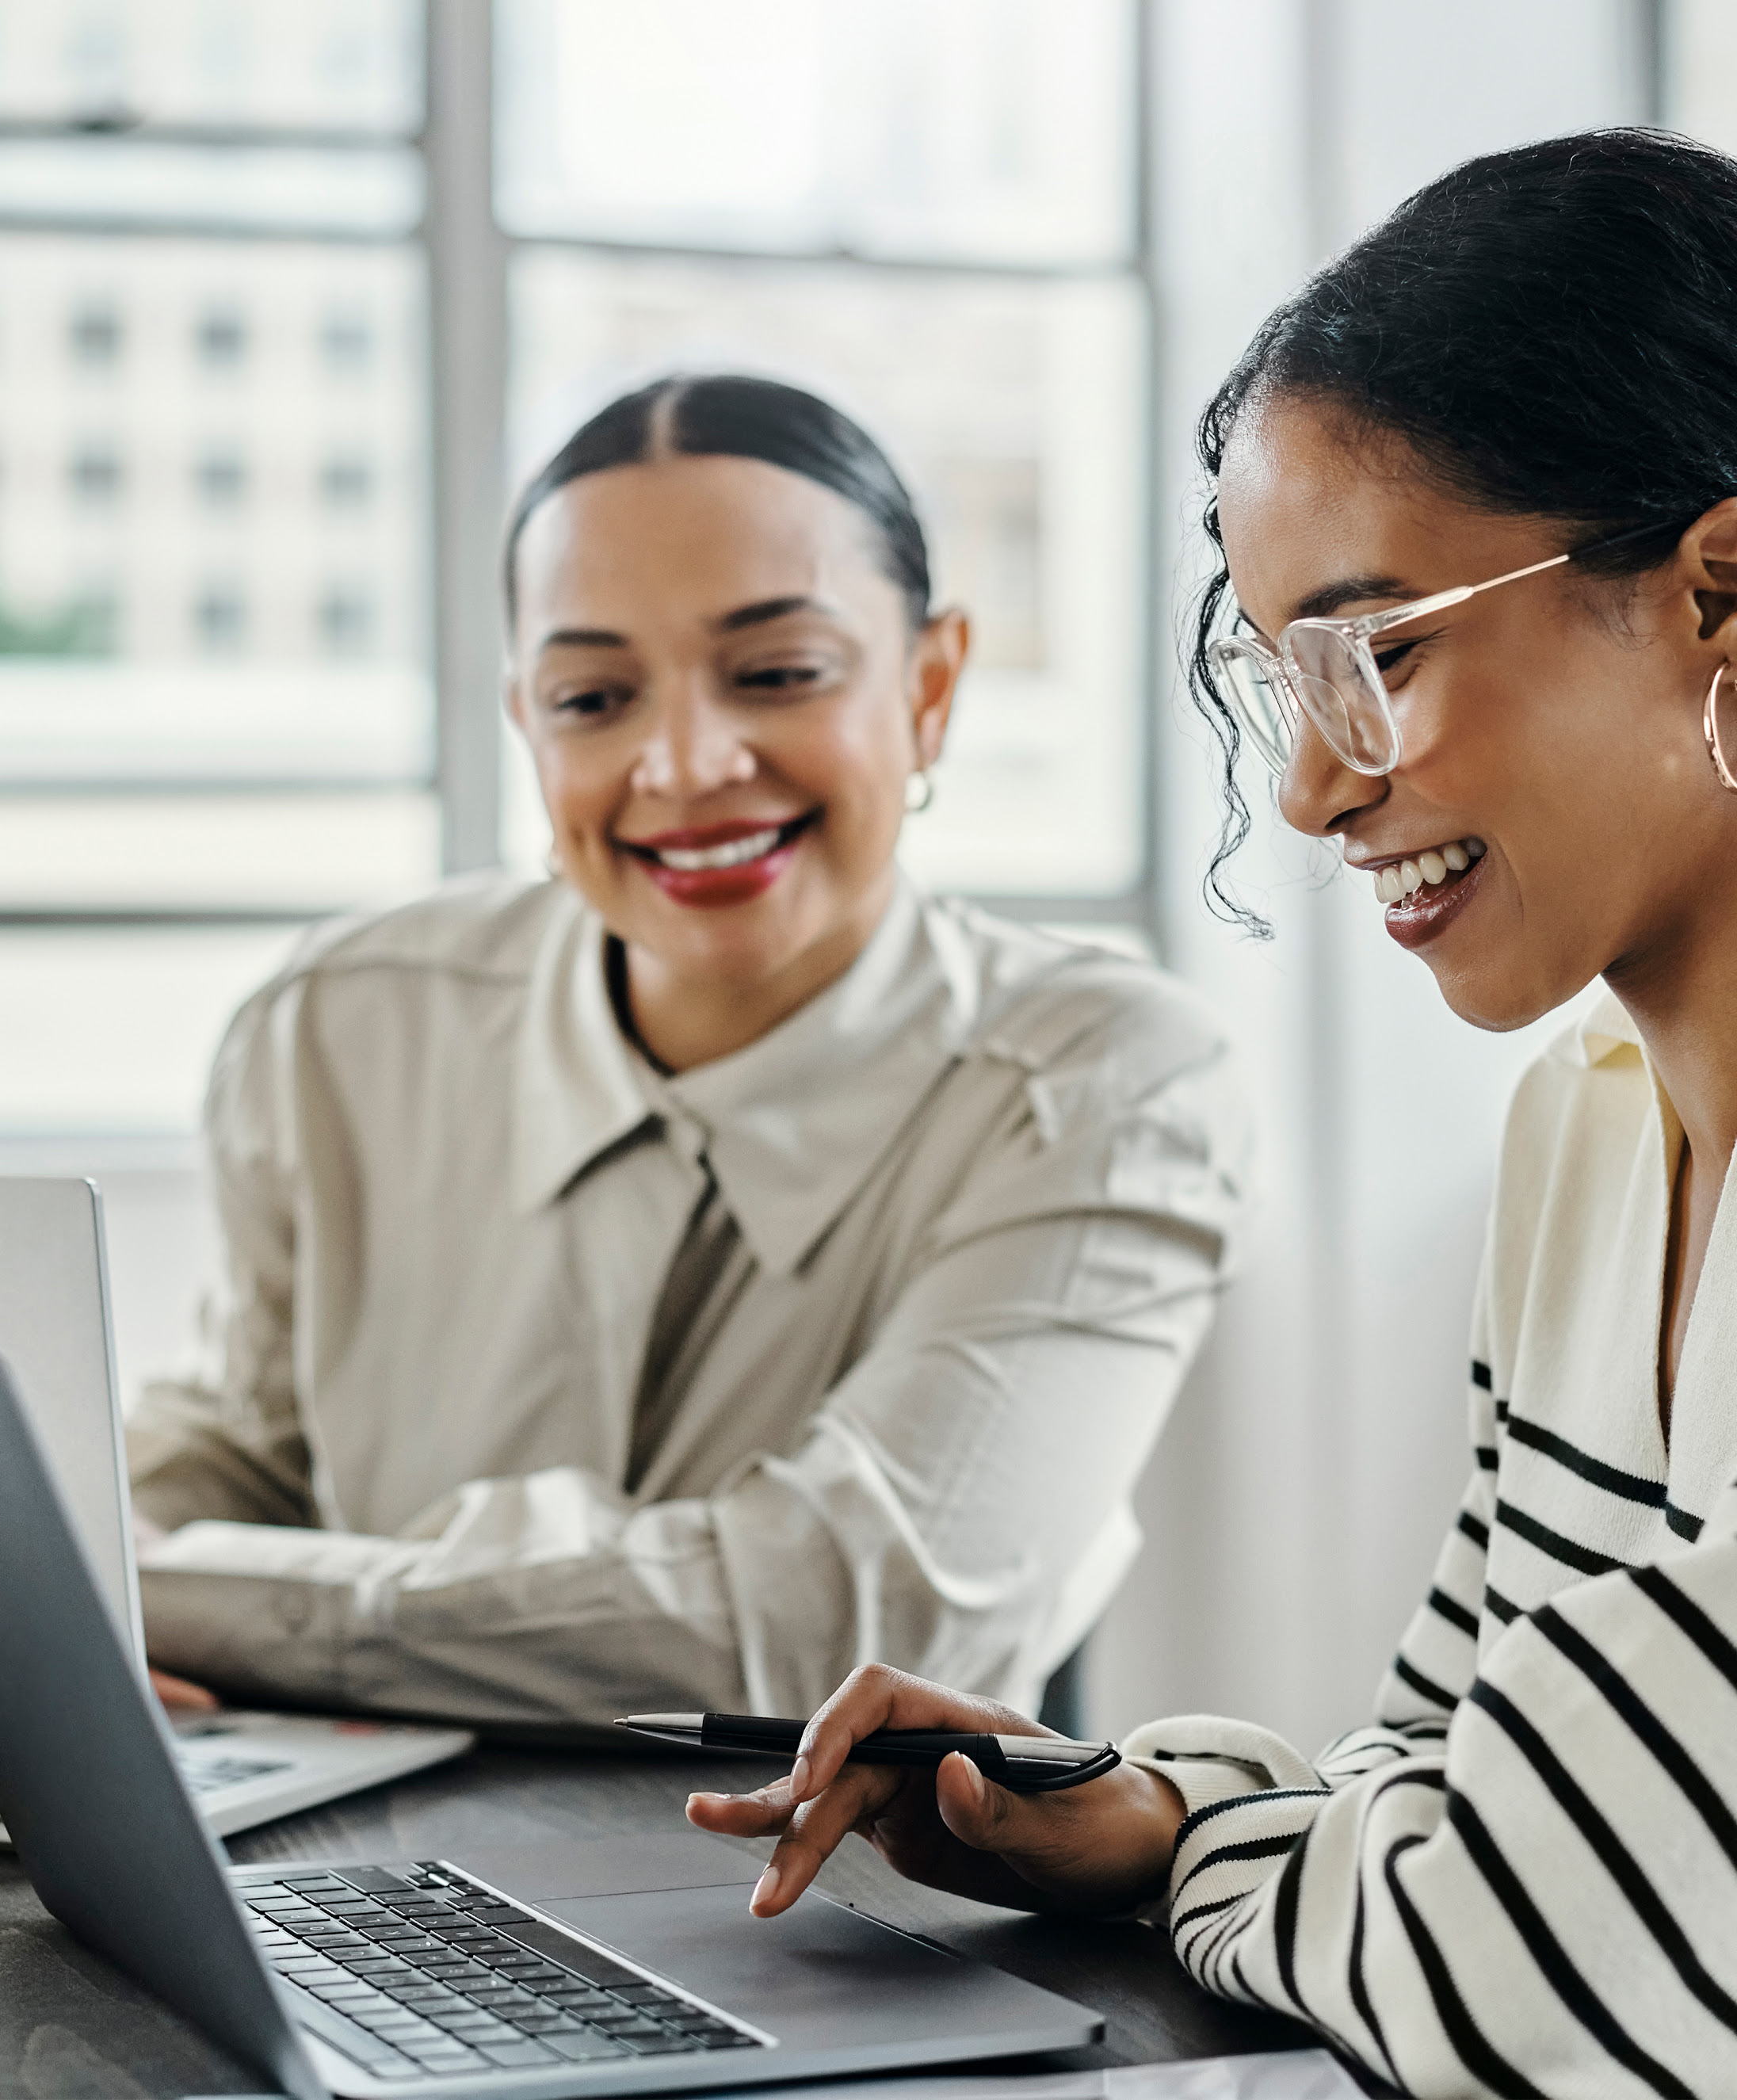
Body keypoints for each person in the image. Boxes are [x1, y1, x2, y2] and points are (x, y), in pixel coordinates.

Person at [689, 132, 1737, 2098]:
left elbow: (1514, 1964)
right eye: (1286, 682)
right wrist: (1159, 1807)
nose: (1314, 798)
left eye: (1382, 652)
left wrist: (1208, 1852)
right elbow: (1437, 1778)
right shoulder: (1588, 1132)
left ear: (1719, 588)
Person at [128, 373, 1250, 1734]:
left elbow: (840, 1624)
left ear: (932, 685)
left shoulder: (1107, 1079)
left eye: (777, 674)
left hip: (845, 1914)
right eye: (593, 696)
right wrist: (83, 1598)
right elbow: (222, 1466)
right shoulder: (338, 1027)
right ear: (528, 727)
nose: (685, 762)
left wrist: (168, 1598)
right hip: (363, 1884)